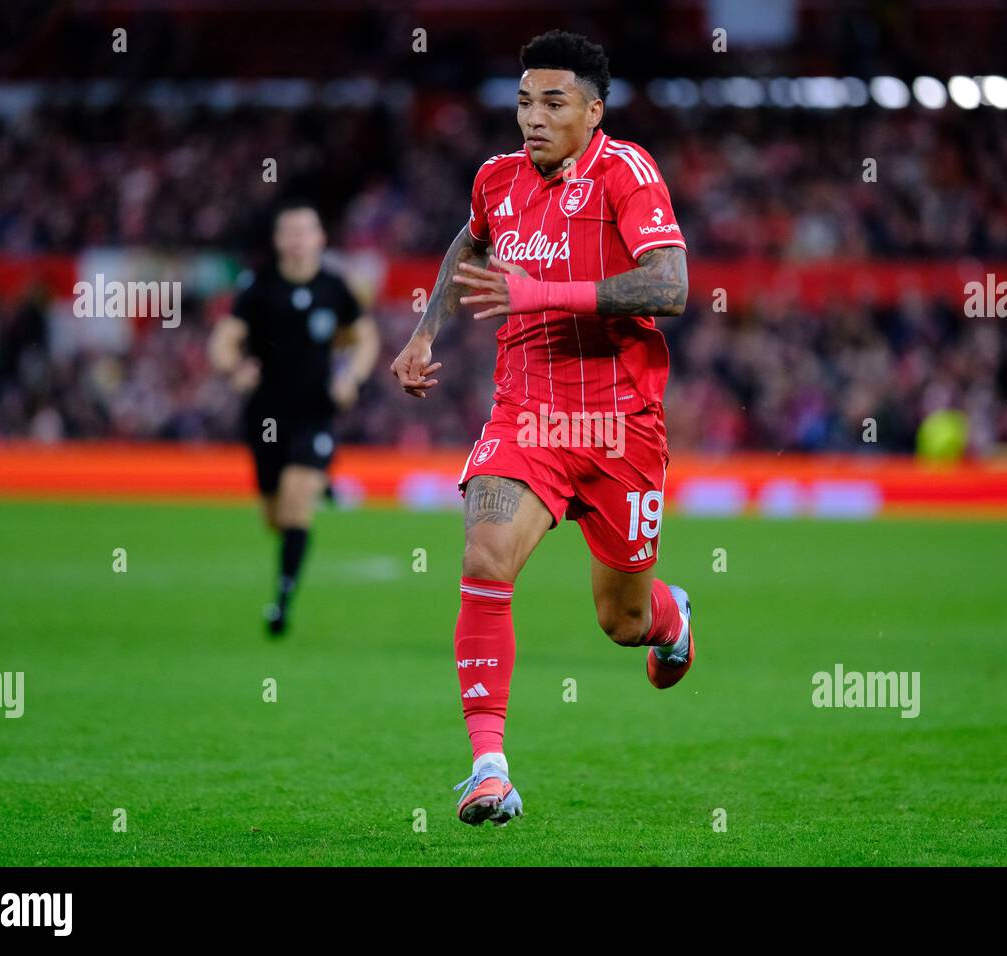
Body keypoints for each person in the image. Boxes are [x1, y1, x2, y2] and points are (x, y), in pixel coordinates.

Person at [390, 30, 695, 827]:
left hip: (621, 425)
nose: (533, 117)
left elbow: (671, 286)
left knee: (621, 620)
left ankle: (672, 621)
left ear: (593, 111)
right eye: (524, 101)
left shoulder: (627, 172)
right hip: (526, 414)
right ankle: (488, 768)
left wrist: (546, 293)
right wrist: (426, 331)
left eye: (553, 102)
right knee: (485, 552)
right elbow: (471, 241)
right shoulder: (497, 179)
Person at [210, 200, 380, 634]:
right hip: (265, 417)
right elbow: (224, 339)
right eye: (290, 232)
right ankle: (315, 491)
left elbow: (366, 337)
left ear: (320, 239)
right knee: (276, 515)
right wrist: (235, 368)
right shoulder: (259, 288)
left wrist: (351, 378)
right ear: (279, 240)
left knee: (296, 501)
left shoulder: (335, 288)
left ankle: (281, 604)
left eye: (307, 231)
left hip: (315, 413)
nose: (298, 240)